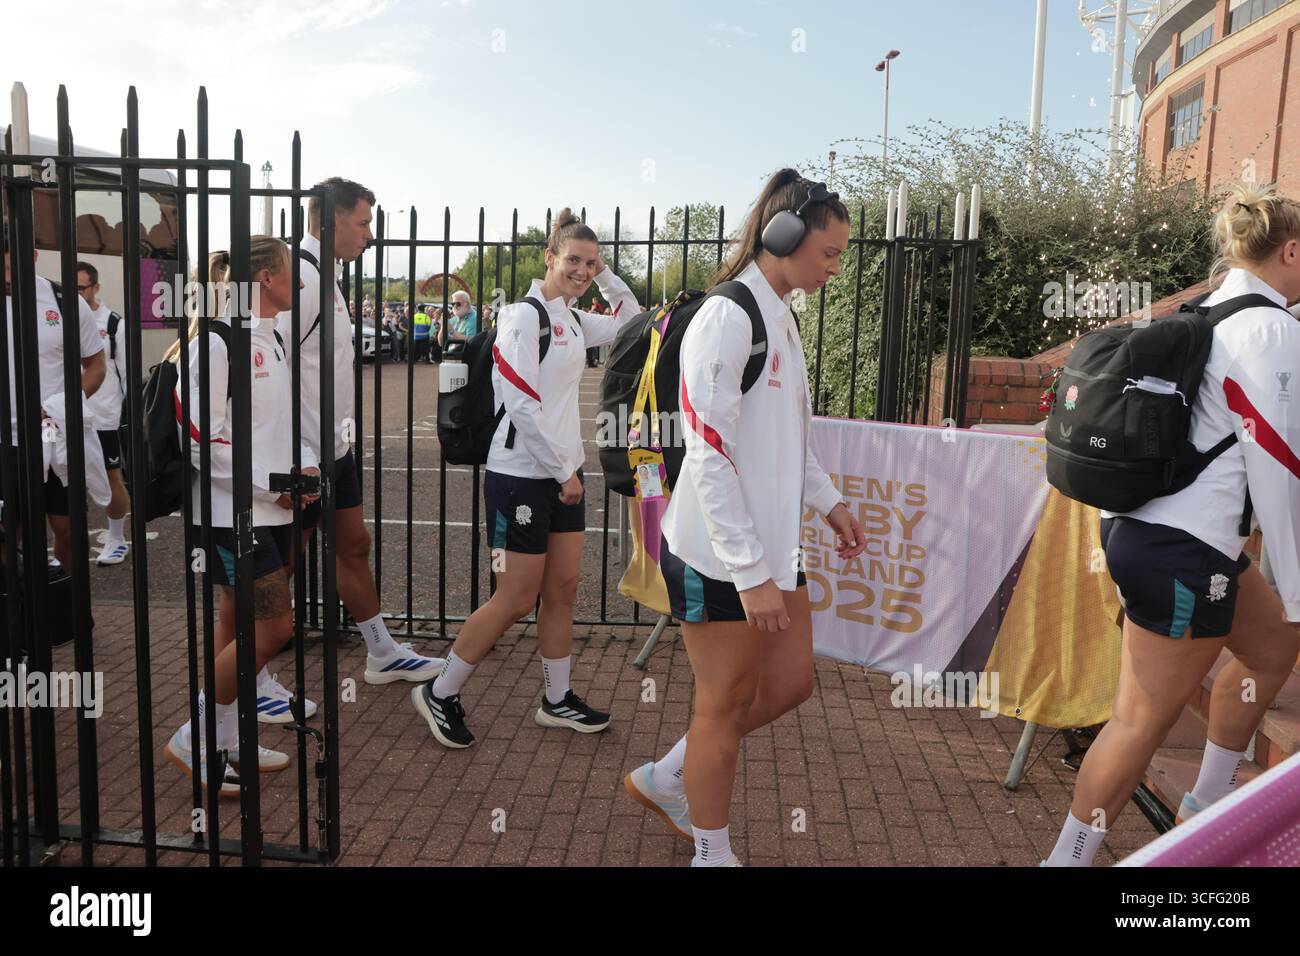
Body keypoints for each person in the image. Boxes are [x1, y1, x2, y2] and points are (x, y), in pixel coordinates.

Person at [1045, 182, 1300, 866]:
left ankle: (1205, 806)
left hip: (1160, 537)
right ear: (1293, 252)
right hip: (1182, 553)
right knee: (1137, 723)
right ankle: (1065, 859)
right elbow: (1278, 461)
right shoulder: (1272, 329)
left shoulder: (1211, 307)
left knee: (1273, 647)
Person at [621, 171, 866, 867]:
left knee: (790, 684)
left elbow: (787, 438)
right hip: (719, 555)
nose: (835, 267)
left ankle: (669, 775)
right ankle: (712, 852)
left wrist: (831, 503)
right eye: (829, 253)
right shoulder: (730, 317)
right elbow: (708, 457)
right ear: (784, 237)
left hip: (769, 548)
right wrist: (752, 575)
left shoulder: (781, 313)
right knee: (723, 706)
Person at [412, 208, 638, 749]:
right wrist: (563, 472)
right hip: (522, 476)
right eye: (575, 261)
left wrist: (606, 273)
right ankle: (440, 692)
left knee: (562, 589)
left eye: (591, 262)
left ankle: (556, 700)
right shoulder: (522, 316)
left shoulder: (577, 321)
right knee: (515, 597)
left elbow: (632, 316)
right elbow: (519, 401)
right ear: (550, 258)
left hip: (564, 476)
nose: (583, 270)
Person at [271, 178, 441, 726]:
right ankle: (247, 678)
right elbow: (265, 363)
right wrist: (294, 451)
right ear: (329, 220)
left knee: (354, 543)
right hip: (300, 454)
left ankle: (381, 653)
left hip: (331, 447)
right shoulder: (300, 275)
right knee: (282, 561)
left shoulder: (328, 276)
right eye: (363, 222)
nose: (370, 235)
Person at [163, 239, 318, 792]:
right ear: (266, 278)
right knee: (274, 627)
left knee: (237, 624)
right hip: (231, 513)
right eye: (289, 274)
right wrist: (268, 487)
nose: (300, 284)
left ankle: (226, 743)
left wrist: (297, 477)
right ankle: (197, 733)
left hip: (264, 509)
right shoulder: (217, 343)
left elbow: (270, 429)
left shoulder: (269, 336)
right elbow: (200, 436)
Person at [1, 231, 106, 571]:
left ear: (31, 256)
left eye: (11, 268)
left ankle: (73, 613)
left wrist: (67, 405)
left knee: (67, 527)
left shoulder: (64, 302)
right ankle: (17, 614)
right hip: (6, 443)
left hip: (55, 435)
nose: (6, 278)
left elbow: (96, 365)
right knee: (8, 532)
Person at [76, 262, 131, 565]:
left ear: (96, 287)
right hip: (65, 415)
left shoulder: (113, 323)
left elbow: (125, 372)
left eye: (82, 288)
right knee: (64, 479)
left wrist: (126, 414)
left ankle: (116, 538)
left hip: (105, 416)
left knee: (111, 477)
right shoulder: (59, 318)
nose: (77, 294)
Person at [585, 298, 605, 368]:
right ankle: (591, 361)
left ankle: (592, 361)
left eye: (594, 300)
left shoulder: (597, 307)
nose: (593, 302)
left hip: (593, 332)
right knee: (591, 348)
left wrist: (592, 310)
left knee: (593, 348)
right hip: (591, 332)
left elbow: (599, 311)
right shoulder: (593, 309)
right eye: (593, 301)